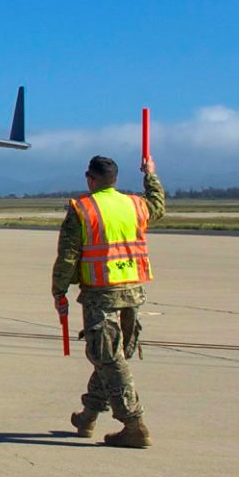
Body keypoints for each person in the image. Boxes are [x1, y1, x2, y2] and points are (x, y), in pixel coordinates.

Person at [53, 153, 165, 447]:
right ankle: (88, 415)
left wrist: (59, 290)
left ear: (91, 178)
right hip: (132, 291)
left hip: (100, 293)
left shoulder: (83, 209)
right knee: (111, 356)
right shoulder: (135, 204)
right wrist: (150, 174)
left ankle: (133, 423)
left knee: (110, 359)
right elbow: (158, 205)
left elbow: (67, 256)